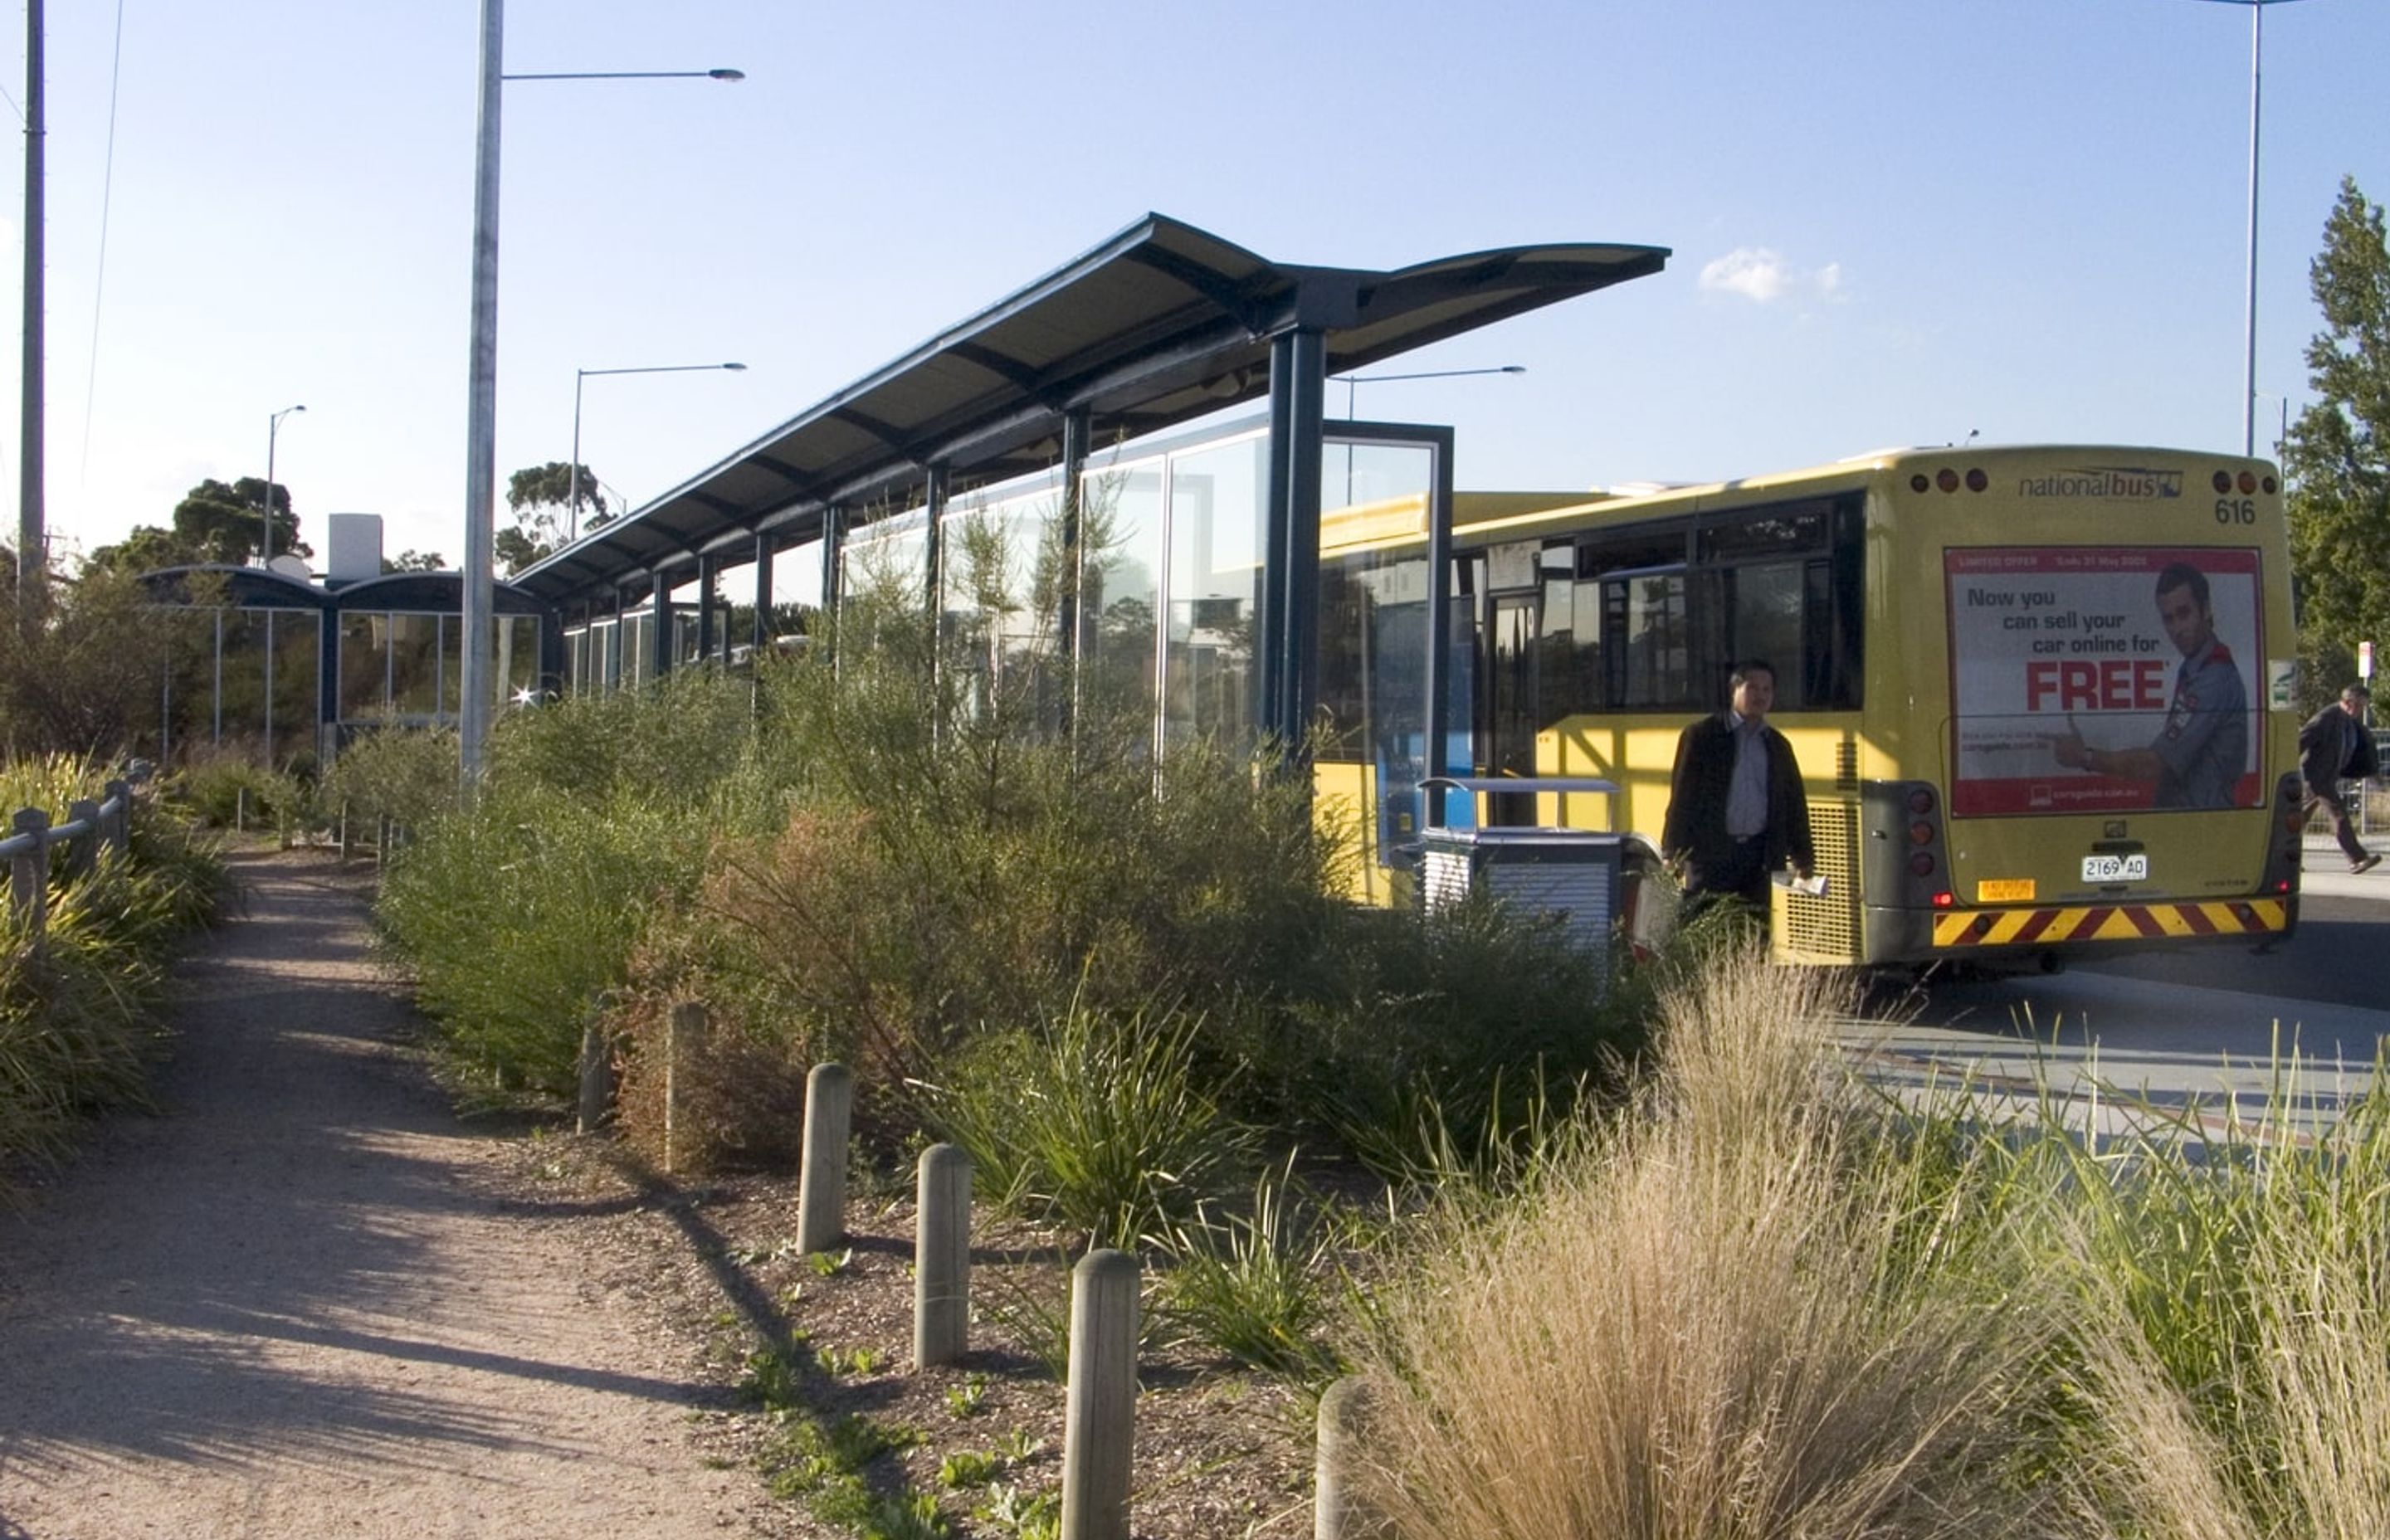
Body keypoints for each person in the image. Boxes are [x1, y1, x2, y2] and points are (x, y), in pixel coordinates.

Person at [2051, 561, 2247, 809]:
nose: (2177, 629)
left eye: (2184, 614)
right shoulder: (2194, 668)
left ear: (2206, 610)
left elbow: (2154, 765)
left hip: (2201, 826)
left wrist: (2085, 757)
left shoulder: (2214, 679)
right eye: (2168, 619)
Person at [1662, 659, 1815, 909]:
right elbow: (1682, 797)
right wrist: (1673, 852)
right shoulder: (1702, 736)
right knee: (1706, 930)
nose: (1760, 696)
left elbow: (1794, 804)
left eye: (1767, 689)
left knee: (1753, 931)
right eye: (1753, 688)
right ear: (1735, 690)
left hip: (1757, 858)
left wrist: (1803, 858)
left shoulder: (1777, 745)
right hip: (1710, 856)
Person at [2299, 683, 2380, 875]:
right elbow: (2301, 740)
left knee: (2298, 820)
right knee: (2339, 815)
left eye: (2363, 707)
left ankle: (2285, 861)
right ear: (2347, 702)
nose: (2361, 711)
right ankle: (2357, 858)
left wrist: (2373, 773)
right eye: (2359, 706)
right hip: (2316, 778)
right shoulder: (2326, 718)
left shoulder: (2349, 721)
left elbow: (2362, 748)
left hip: (2327, 776)